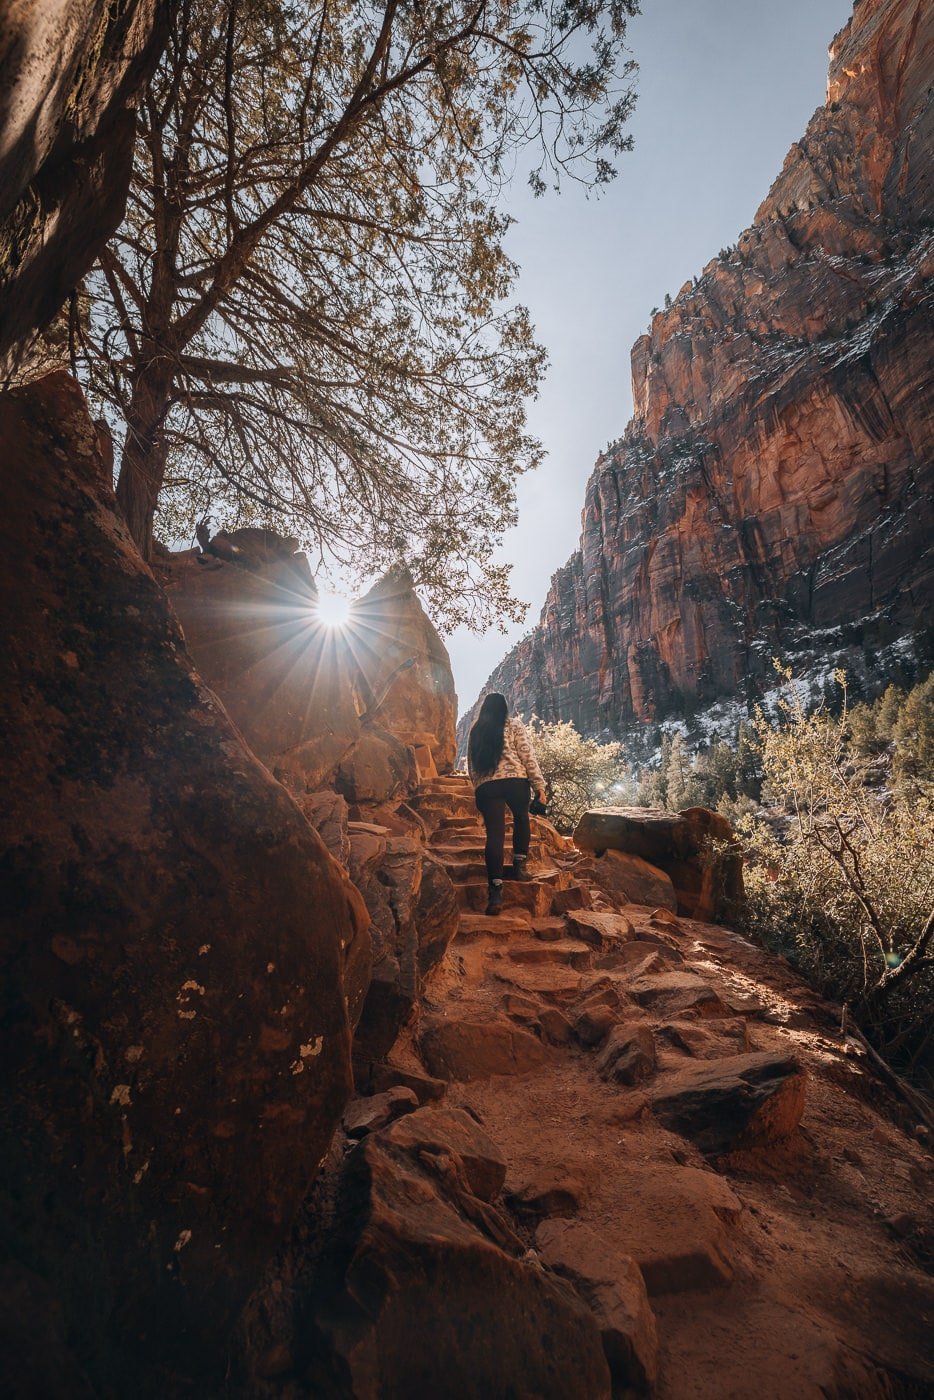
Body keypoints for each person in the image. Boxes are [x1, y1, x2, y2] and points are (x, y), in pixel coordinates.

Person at [467, 693, 547, 915]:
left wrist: (479, 786)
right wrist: (539, 786)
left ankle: (495, 893)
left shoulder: (476, 729)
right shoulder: (513, 725)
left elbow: (470, 764)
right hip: (515, 781)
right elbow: (527, 755)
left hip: (487, 786)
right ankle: (519, 867)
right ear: (504, 708)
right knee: (522, 819)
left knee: (495, 836)